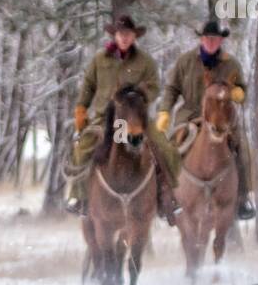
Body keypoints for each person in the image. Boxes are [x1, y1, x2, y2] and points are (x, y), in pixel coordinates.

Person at [65, 14, 181, 222]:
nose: (125, 38)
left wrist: (139, 92)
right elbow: (89, 86)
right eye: (121, 34)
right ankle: (79, 196)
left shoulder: (145, 61)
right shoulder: (100, 60)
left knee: (166, 148)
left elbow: (154, 87)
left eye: (128, 34)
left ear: (134, 36)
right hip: (104, 118)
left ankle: (169, 197)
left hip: (136, 118)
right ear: (115, 36)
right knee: (82, 148)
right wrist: (81, 109)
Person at [158, 19, 256, 220]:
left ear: (220, 41)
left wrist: (238, 93)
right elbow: (171, 88)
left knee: (243, 149)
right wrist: (165, 112)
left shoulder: (231, 63)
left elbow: (242, 89)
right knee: (168, 149)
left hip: (222, 119)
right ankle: (165, 196)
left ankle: (243, 198)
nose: (212, 42)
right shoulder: (185, 61)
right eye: (208, 39)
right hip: (190, 117)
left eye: (216, 39)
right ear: (202, 39)